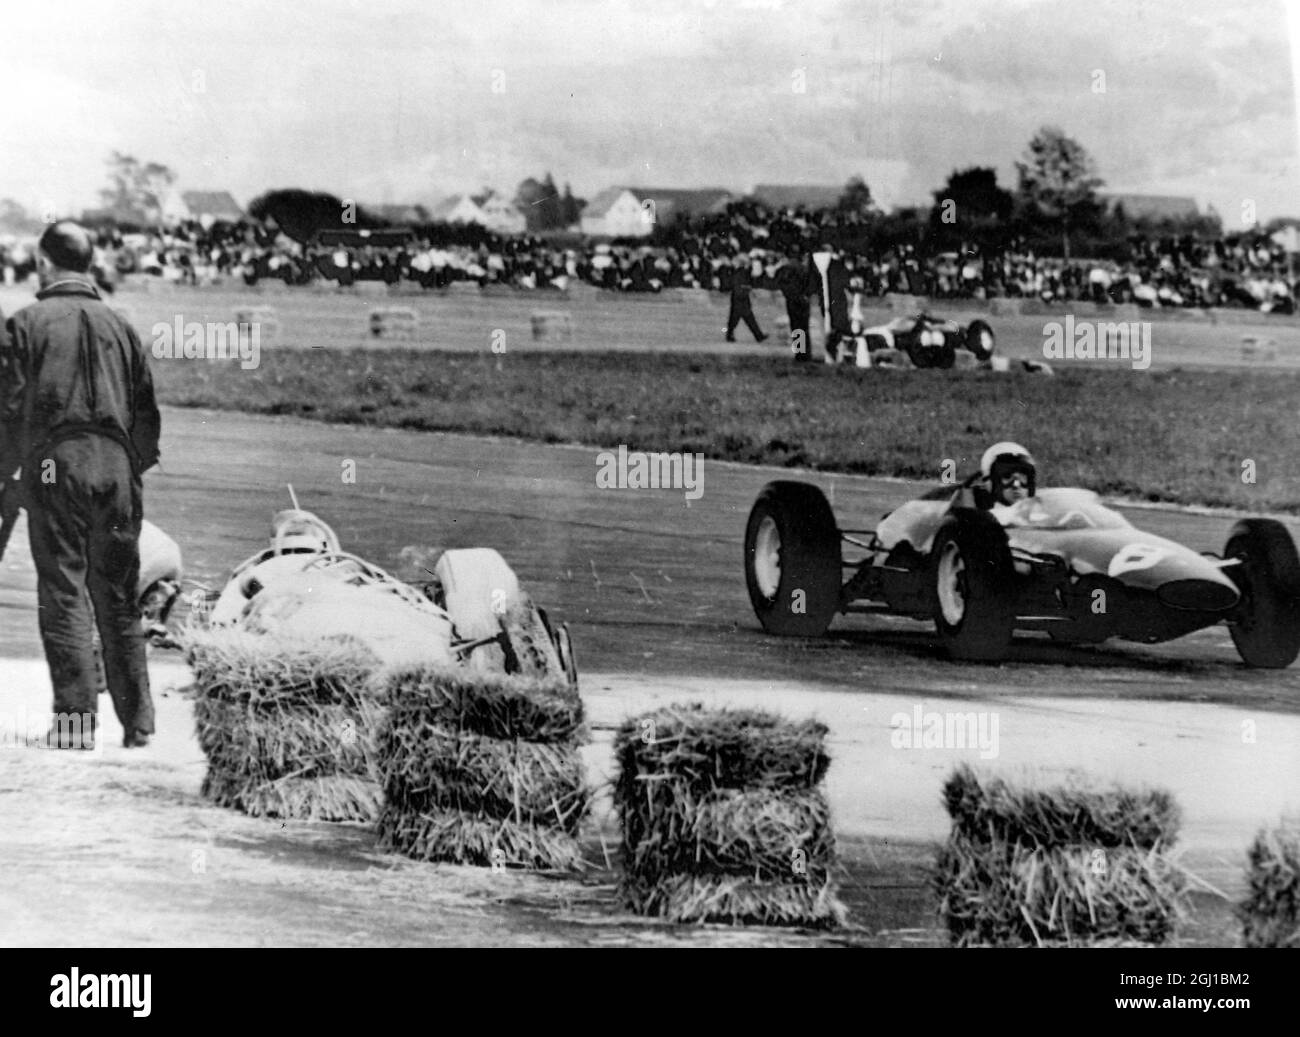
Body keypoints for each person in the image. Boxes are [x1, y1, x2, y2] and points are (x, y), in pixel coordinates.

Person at [0, 221, 162, 750]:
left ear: (45, 265)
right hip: (117, 467)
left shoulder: (25, 323)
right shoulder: (122, 326)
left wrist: (8, 477)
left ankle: (75, 727)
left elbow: (8, 410)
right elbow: (146, 416)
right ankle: (138, 725)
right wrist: (125, 473)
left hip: (54, 464)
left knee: (63, 592)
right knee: (119, 597)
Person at [724, 254, 767, 343]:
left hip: (738, 298)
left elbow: (735, 284)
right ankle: (758, 336)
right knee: (746, 318)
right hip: (742, 298)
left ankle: (730, 335)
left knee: (736, 319)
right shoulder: (743, 272)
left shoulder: (738, 272)